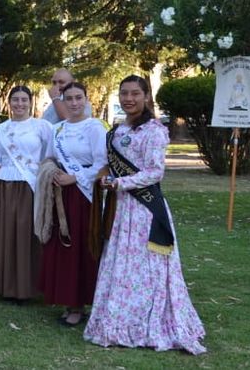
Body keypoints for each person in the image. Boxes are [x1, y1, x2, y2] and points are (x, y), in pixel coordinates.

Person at [85, 75, 207, 354]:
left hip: (144, 210)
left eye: (135, 94)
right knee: (122, 265)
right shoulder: (117, 131)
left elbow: (155, 172)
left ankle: (149, 323)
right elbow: (110, 166)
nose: (128, 99)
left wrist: (120, 183)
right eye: (124, 93)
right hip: (120, 209)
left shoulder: (154, 131)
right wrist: (105, 178)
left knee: (147, 268)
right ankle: (118, 322)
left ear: (146, 96)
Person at [36, 81, 106, 327]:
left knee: (80, 247)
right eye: (69, 99)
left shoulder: (95, 128)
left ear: (86, 99)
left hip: (83, 195)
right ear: (63, 101)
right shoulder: (57, 129)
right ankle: (66, 300)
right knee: (62, 247)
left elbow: (102, 165)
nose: (74, 103)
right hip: (60, 195)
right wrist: (53, 172)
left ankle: (79, 304)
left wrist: (75, 177)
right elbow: (49, 157)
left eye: (79, 98)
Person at [0, 85, 52, 302]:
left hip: (30, 187)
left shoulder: (42, 127)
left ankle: (26, 288)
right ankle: (5, 286)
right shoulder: (1, 129)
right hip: (5, 187)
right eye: (15, 99)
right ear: (9, 102)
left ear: (31, 102)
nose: (20, 104)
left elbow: (50, 158)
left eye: (24, 99)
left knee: (27, 236)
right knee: (5, 236)